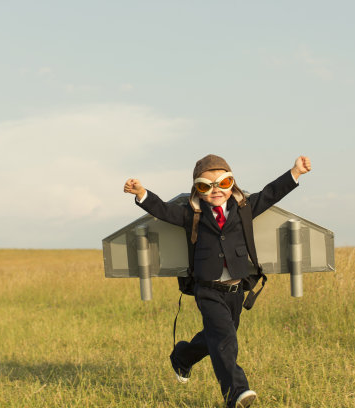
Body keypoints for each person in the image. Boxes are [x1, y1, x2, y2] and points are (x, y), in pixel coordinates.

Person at [123, 154, 311, 408]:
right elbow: (165, 211)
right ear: (197, 190)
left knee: (218, 335)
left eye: (223, 183)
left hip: (235, 288)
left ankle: (182, 356)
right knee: (225, 339)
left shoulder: (244, 208)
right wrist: (142, 193)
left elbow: (270, 193)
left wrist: (295, 172)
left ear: (231, 183)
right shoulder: (193, 214)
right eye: (205, 186)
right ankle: (236, 392)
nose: (215, 191)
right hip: (207, 287)